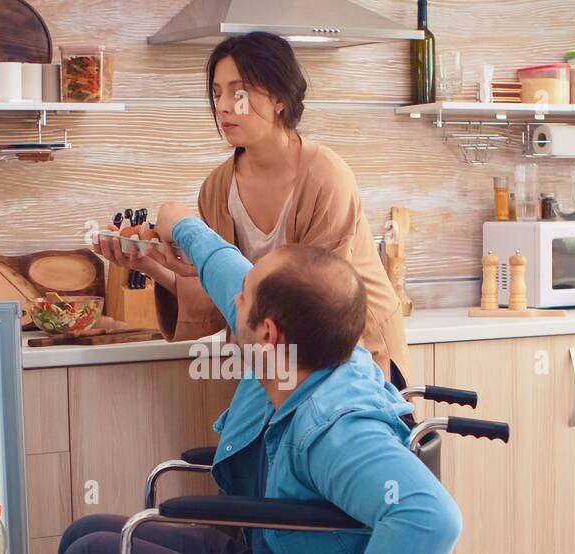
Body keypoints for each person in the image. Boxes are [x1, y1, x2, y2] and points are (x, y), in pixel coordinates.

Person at [23, 205, 460, 554]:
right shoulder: (306, 353)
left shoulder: (335, 428)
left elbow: (429, 517)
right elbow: (225, 266)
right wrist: (176, 222)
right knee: (86, 534)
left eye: (244, 300)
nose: (234, 301)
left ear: (268, 332)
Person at [94, 32, 409, 383]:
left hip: (354, 353)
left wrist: (191, 237)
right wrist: (153, 267)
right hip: (279, 357)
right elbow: (227, 297)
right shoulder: (216, 188)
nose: (224, 105)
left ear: (278, 97)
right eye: (216, 93)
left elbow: (312, 301)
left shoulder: (325, 178)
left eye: (237, 91)